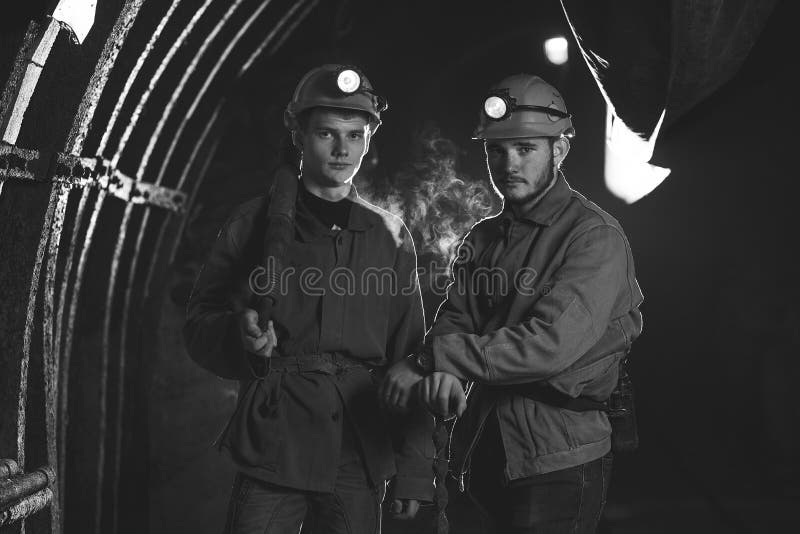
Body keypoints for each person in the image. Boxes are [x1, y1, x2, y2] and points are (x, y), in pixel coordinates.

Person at [380, 73, 644, 533]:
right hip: (482, 445)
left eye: (526, 149)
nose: (508, 163)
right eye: (496, 150)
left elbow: (547, 345)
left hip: (557, 458)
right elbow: (455, 320)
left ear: (559, 150)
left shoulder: (593, 238)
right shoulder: (482, 238)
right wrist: (443, 366)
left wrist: (431, 359)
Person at [184, 64, 434, 534]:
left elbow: (411, 357)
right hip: (275, 444)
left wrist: (415, 471)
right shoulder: (253, 225)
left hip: (356, 448)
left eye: (355, 135)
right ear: (299, 135)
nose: (342, 149)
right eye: (326, 133)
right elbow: (198, 323)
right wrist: (240, 337)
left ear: (368, 138)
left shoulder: (389, 237)